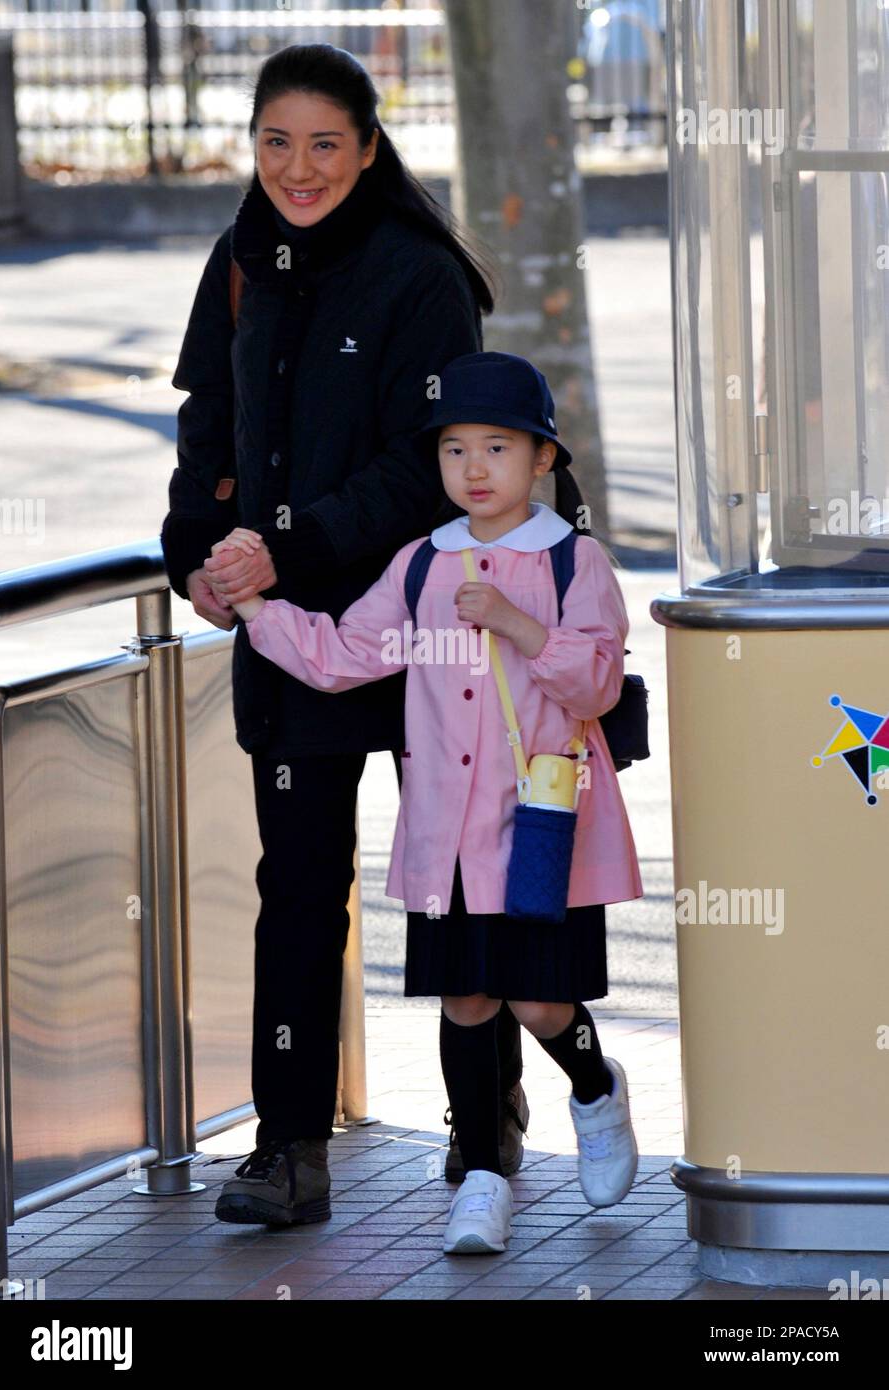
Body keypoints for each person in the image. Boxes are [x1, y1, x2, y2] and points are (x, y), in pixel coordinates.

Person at [160, 43, 529, 1228]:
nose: (298, 167)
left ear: (369, 150)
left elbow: (434, 475)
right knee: (301, 888)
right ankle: (287, 1150)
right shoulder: (237, 263)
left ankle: (484, 1128)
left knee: (461, 881)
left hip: (434, 629)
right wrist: (197, 561)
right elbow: (203, 433)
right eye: (276, 142)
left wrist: (291, 546)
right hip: (288, 632)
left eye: (325, 144)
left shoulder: (420, 278)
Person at [206, 352, 645, 1254]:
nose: (475, 470)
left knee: (537, 1002)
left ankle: (596, 1089)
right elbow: (340, 657)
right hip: (449, 832)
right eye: (454, 451)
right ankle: (480, 1181)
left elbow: (598, 683)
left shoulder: (574, 562)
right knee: (468, 998)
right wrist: (256, 609)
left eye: (497, 448)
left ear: (542, 462)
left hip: (541, 825)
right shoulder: (417, 565)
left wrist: (520, 625)